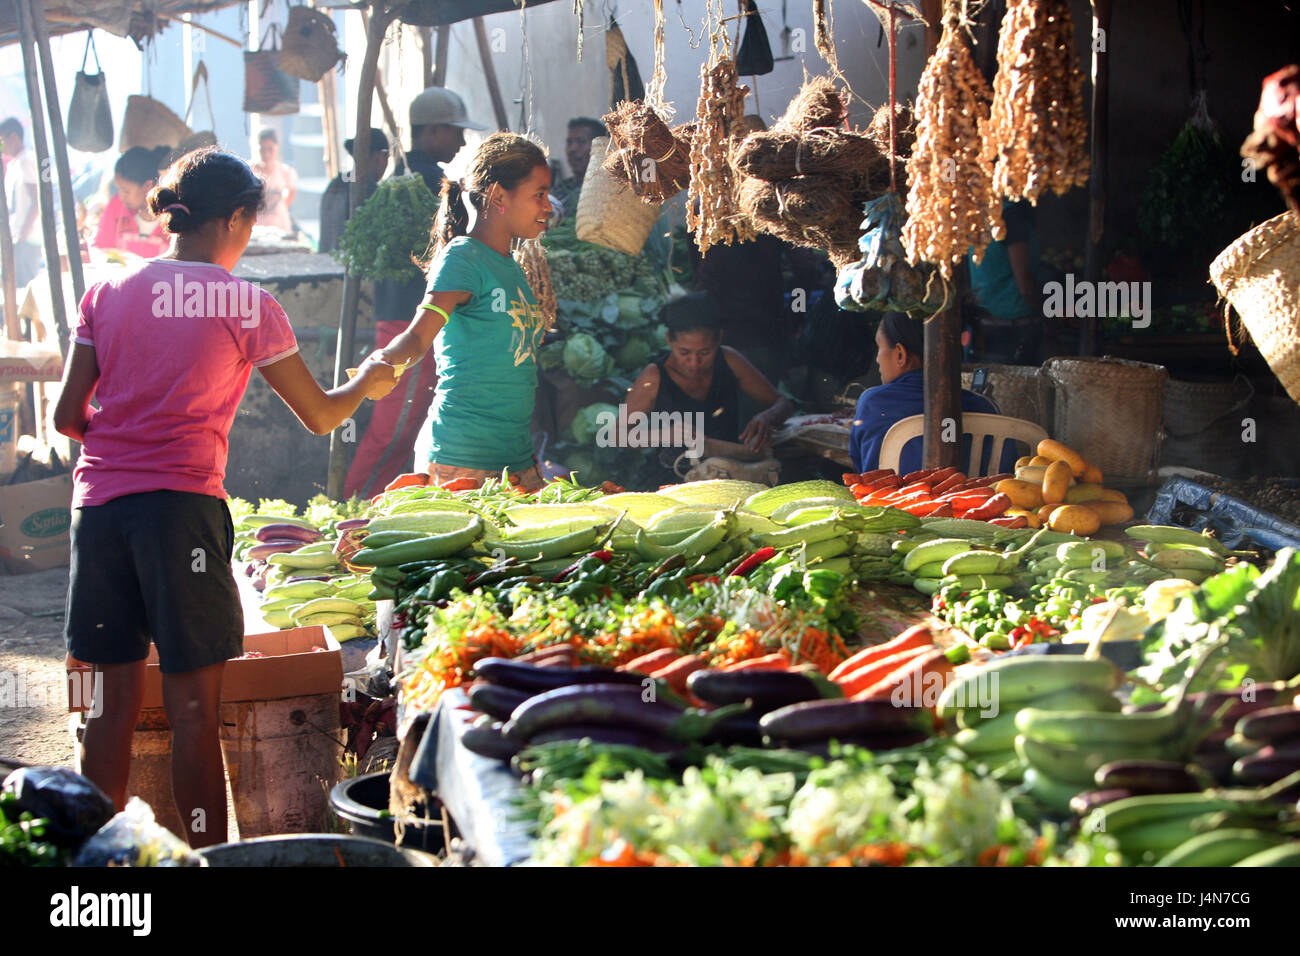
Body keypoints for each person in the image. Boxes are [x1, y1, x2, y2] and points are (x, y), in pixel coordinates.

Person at [52, 147, 397, 846]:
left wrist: (125, 444)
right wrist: (368, 380)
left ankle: (90, 863)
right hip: (180, 510)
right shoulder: (245, 302)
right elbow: (322, 416)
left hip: (99, 510)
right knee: (191, 711)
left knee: (110, 708)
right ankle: (211, 860)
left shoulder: (107, 292)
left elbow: (67, 417)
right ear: (236, 217)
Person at [374, 133, 553, 491]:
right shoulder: (462, 258)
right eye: (539, 194)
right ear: (499, 196)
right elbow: (417, 336)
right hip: (462, 461)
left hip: (515, 460)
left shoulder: (512, 267)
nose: (547, 207)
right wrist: (376, 368)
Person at [345, 87, 487, 499]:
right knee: (395, 426)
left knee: (408, 425)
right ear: (434, 131)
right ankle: (353, 504)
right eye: (455, 131)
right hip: (409, 321)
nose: (462, 141)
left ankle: (379, 504)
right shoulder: (426, 181)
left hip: (411, 319)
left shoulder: (411, 176)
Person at [625, 292, 792, 484]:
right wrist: (666, 434)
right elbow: (618, 435)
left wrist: (767, 417)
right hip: (671, 478)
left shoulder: (729, 360)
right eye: (684, 352)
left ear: (719, 338)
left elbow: (783, 403)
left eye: (705, 352)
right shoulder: (654, 376)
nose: (694, 362)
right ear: (670, 340)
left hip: (727, 474)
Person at [849, 313, 1019, 477]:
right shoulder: (985, 407)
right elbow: (1006, 475)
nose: (877, 359)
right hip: (973, 506)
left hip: (890, 506)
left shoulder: (874, 403)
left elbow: (863, 469)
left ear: (900, 354)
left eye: (879, 347)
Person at [92, 146, 172, 258]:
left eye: (126, 191)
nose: (121, 196)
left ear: (147, 185)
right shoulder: (116, 206)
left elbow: (180, 271)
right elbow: (100, 248)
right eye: (118, 189)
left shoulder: (172, 214)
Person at [318, 127, 389, 255]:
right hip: (348, 270)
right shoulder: (372, 193)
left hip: (324, 267)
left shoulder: (334, 185)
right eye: (387, 157)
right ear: (379, 157)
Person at [1, 117, 44, 288]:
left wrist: (21, 237)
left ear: (14, 137)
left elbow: (36, 202)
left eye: (1, 141)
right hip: (16, 237)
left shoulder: (27, 161)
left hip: (26, 240)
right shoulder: (14, 164)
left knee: (23, 288)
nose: (1, 147)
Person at [550, 117, 607, 219]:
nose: (572, 149)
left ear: (600, 147)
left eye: (581, 142)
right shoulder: (558, 191)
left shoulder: (608, 191)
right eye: (569, 142)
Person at [252, 128, 298, 233]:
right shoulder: (250, 171)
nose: (266, 154)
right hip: (256, 228)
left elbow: (291, 193)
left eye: (270, 149)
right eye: (262, 149)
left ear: (276, 148)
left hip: (280, 227)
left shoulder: (286, 172)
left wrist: (279, 207)